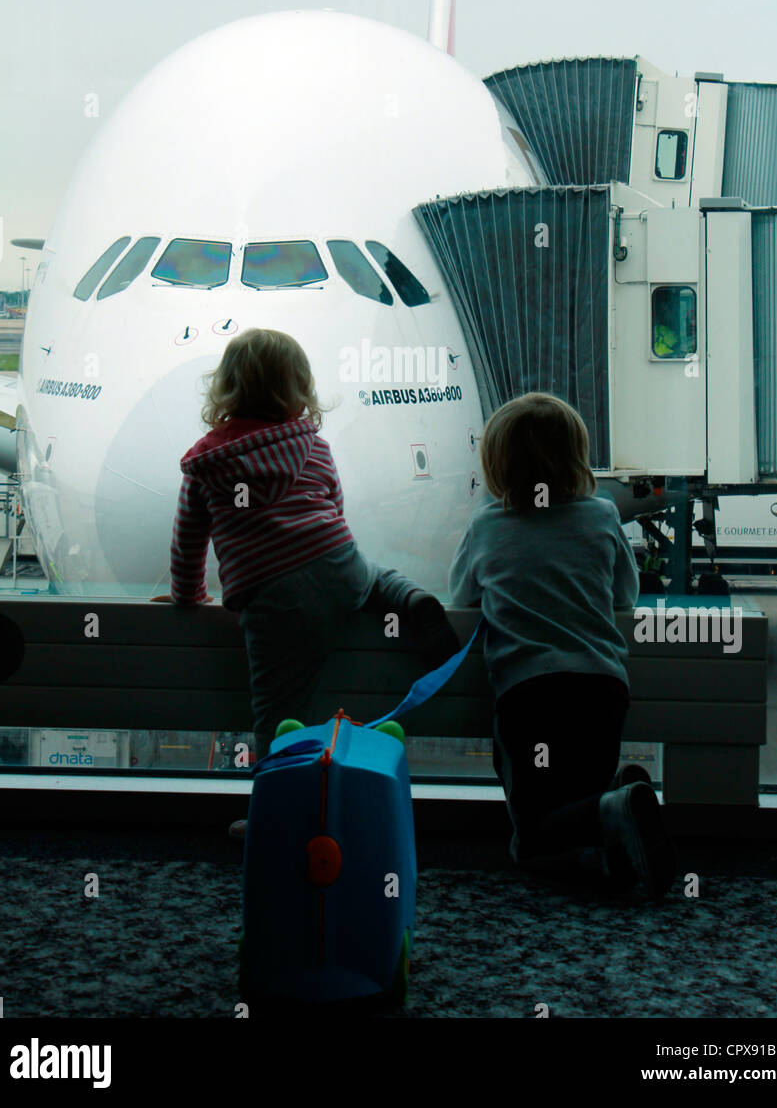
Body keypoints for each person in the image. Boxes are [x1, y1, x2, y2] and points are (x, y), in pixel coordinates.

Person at [161, 328, 458, 766]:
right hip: (336, 561)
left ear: (225, 390)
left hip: (275, 598)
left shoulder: (208, 464)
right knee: (374, 577)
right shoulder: (313, 446)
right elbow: (334, 509)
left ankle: (275, 817)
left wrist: (188, 597)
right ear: (298, 391)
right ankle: (413, 600)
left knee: (277, 714)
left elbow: (188, 542)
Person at [448, 392, 676, 899]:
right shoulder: (601, 517)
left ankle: (616, 806)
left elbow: (461, 594)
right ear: (576, 458)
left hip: (530, 696)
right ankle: (614, 805)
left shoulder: (487, 526)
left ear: (497, 465)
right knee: (578, 800)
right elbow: (625, 592)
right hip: (601, 690)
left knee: (530, 837)